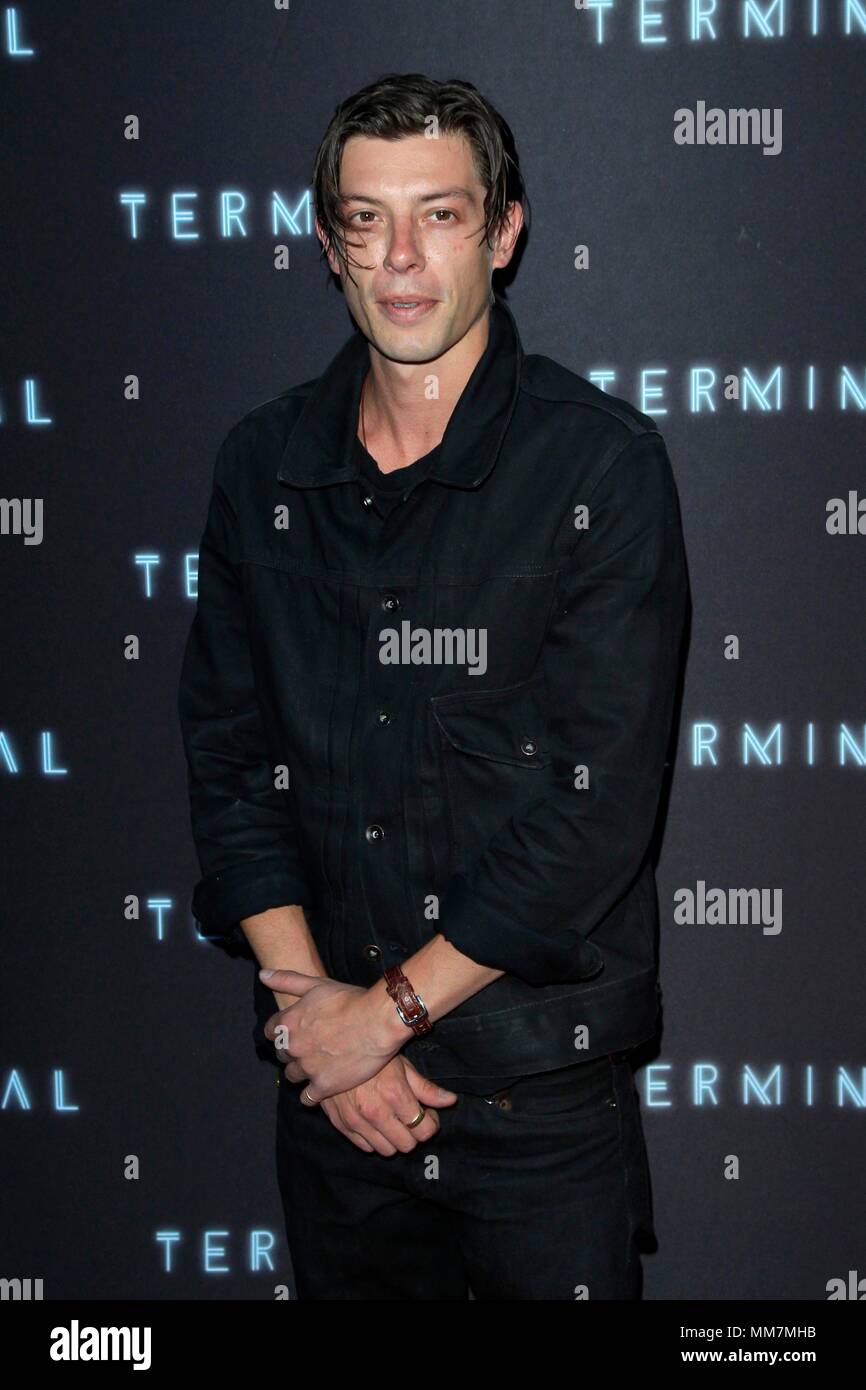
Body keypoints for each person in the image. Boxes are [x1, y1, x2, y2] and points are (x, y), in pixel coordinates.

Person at [178, 72, 690, 1300]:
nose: (401, 259)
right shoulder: (263, 467)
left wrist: (382, 1017)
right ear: (327, 244)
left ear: (503, 233)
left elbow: (595, 811)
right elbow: (232, 762)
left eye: (440, 216)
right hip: (335, 1109)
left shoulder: (601, 467)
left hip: (538, 1105)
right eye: (366, 220)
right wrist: (321, 1024)